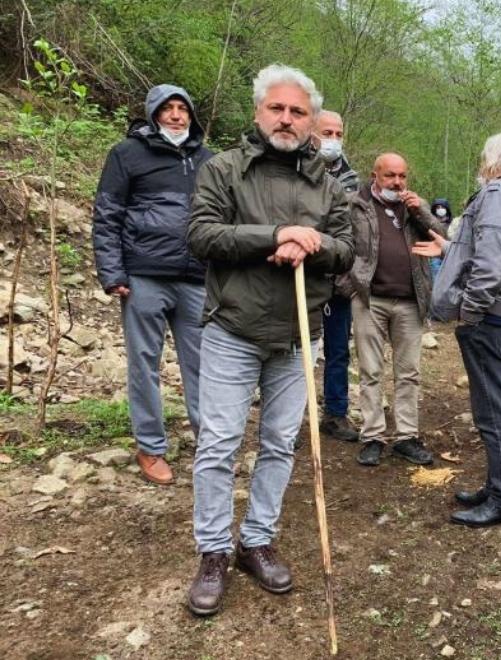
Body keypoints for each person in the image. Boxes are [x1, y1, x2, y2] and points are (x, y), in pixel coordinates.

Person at [184, 64, 354, 617]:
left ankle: (256, 540)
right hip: (233, 328)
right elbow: (201, 235)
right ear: (258, 112)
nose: (286, 118)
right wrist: (274, 236)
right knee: (219, 444)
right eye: (276, 108)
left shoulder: (329, 185)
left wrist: (311, 244)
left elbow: (347, 250)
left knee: (281, 443)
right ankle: (213, 552)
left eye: (297, 111)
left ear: (311, 121)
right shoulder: (223, 169)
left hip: (299, 334)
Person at [417, 132, 501, 527]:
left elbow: (489, 264)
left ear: (493, 159)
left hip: (496, 318)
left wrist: (470, 311)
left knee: (494, 412)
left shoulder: (496, 195)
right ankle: (499, 486)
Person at [92, 84, 213, 486]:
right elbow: (107, 215)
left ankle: (210, 444)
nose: (176, 116)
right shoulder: (127, 154)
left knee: (203, 365)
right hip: (143, 275)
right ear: (153, 114)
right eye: (168, 109)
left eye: (183, 109)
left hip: (197, 278)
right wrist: (113, 273)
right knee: (144, 364)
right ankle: (150, 446)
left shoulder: (208, 160)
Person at [338, 153, 446, 467]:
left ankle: (406, 437)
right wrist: (347, 284)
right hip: (369, 299)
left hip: (411, 301)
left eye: (402, 176)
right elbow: (340, 244)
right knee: (371, 371)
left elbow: (443, 237)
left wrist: (420, 210)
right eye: (390, 176)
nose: (397, 182)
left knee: (409, 372)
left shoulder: (414, 207)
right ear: (375, 176)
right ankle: (373, 436)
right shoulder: (355, 205)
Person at [314, 110, 360, 443]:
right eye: (326, 132)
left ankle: (335, 412)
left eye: (338, 134)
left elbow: (355, 229)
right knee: (293, 348)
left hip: (339, 276)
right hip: (303, 273)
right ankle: (285, 419)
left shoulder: (352, 179)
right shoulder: (295, 170)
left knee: (338, 349)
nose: (333, 139)